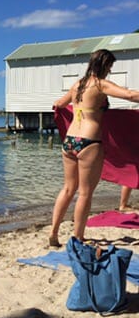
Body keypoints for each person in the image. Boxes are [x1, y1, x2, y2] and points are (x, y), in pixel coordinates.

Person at [50, 49, 139, 247]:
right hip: (89, 142)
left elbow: (59, 103)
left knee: (67, 189)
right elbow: (131, 95)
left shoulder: (78, 85)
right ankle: (78, 237)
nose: (110, 71)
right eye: (110, 67)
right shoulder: (100, 84)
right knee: (84, 193)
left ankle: (54, 233)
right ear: (105, 65)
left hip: (70, 142)